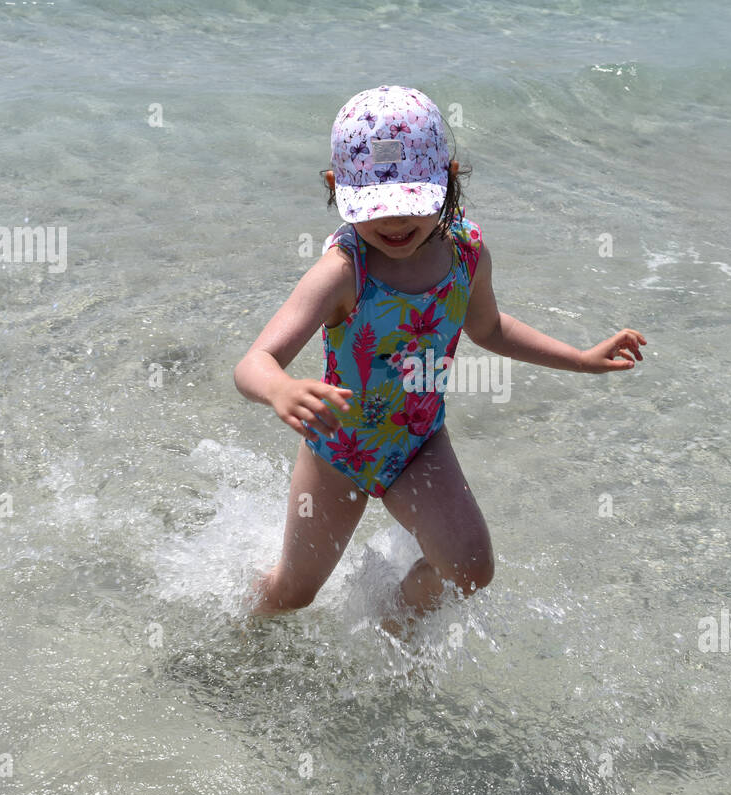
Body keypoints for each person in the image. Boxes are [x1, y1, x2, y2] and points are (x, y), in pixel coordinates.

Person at [233, 85, 646, 626]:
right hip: (340, 450)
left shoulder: (466, 256)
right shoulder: (343, 272)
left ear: (448, 178)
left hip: (420, 441)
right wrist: (280, 387)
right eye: (378, 208)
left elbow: (490, 328)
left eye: (412, 204)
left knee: (471, 569)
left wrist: (581, 358)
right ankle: (234, 626)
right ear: (338, 188)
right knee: (294, 593)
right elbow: (253, 362)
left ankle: (391, 625)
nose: (396, 224)